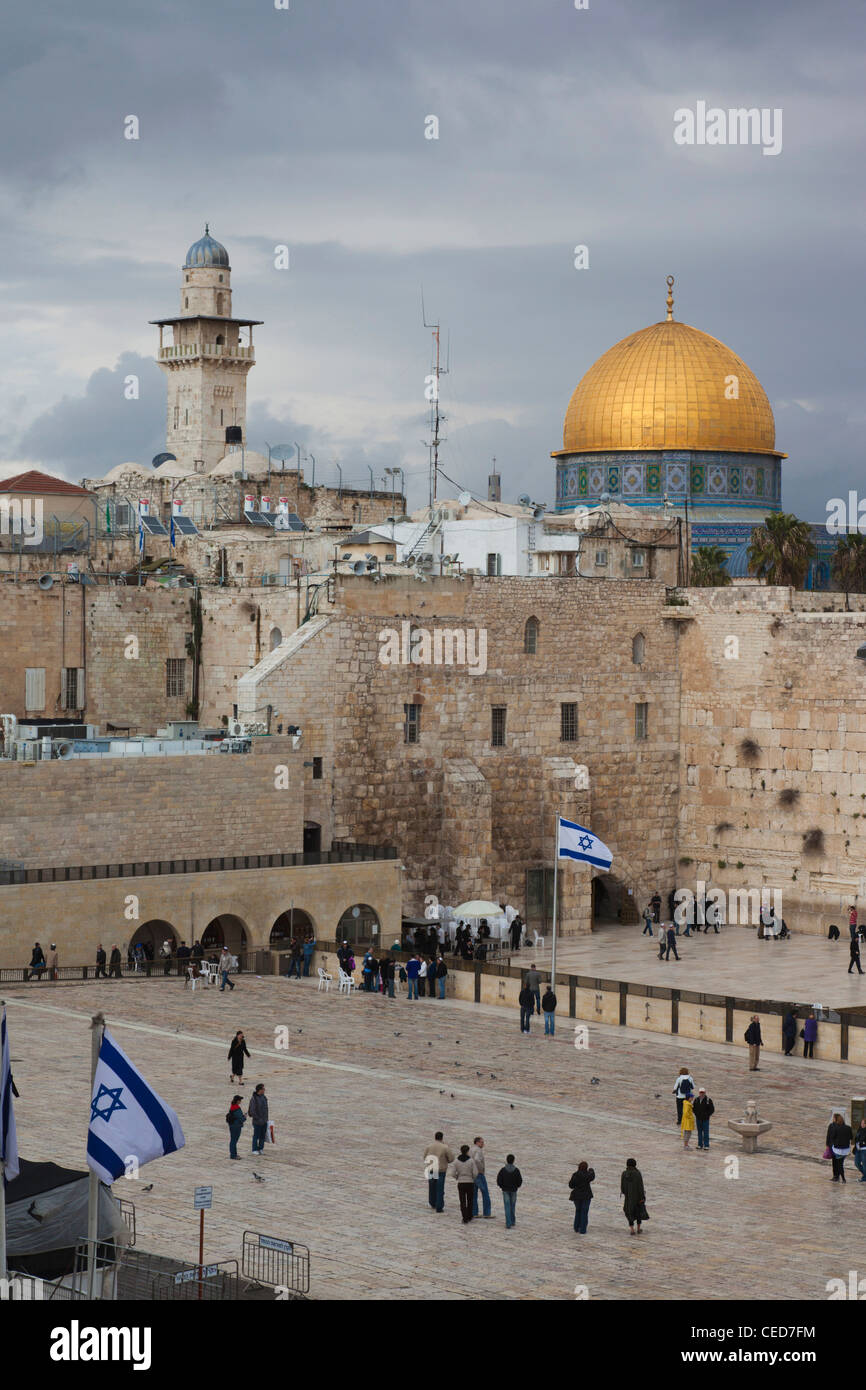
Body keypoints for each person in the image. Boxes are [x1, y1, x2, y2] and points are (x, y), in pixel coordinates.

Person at [423, 1131, 454, 1212]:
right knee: (440, 1188)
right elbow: (451, 1158)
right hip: (441, 1170)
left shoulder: (429, 1146)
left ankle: (432, 1202)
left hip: (431, 1169)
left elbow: (425, 1157)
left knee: (432, 1187)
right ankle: (439, 1207)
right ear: (442, 1138)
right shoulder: (445, 1147)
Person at [449, 1144, 479, 1224]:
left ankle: (464, 1217)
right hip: (469, 1182)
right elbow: (475, 1173)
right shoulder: (471, 1161)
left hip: (461, 1182)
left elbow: (452, 1173)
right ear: (467, 1151)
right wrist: (472, 1178)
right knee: (470, 1200)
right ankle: (469, 1216)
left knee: (462, 1201)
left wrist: (457, 1177)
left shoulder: (456, 1161)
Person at [496, 1154, 523, 1229]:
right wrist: (516, 1186)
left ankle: (508, 1223)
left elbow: (499, 1180)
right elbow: (520, 1181)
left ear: (507, 1160)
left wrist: (502, 1186)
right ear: (513, 1160)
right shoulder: (516, 1170)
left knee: (507, 1206)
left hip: (505, 1190)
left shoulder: (503, 1170)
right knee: (512, 1206)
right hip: (513, 1190)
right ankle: (513, 1221)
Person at [620, 1158, 646, 1235]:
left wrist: (625, 1193)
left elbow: (622, 1186)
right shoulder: (637, 1173)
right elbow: (640, 1186)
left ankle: (632, 1229)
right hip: (637, 1197)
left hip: (628, 1197)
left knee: (629, 1211)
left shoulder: (624, 1173)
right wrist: (642, 1197)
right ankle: (638, 1228)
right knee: (638, 1212)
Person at [568, 1160, 595, 1234]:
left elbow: (571, 1185)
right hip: (586, 1196)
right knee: (584, 1212)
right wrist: (591, 1170)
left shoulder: (575, 1175)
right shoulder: (588, 1175)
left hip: (577, 1196)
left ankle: (576, 1228)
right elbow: (592, 1176)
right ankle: (583, 1230)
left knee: (578, 1211)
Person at [827, 1112, 853, 1182]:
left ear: (836, 1120)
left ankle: (842, 1178)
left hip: (837, 1149)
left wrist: (830, 1145)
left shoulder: (835, 1128)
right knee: (840, 1163)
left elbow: (832, 1138)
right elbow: (851, 1137)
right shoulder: (848, 1128)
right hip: (845, 1149)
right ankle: (837, 1176)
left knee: (838, 1164)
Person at [471, 1136, 492, 1219]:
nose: (483, 1144)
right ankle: (487, 1212)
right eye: (481, 1142)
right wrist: (481, 1168)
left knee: (474, 1193)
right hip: (479, 1174)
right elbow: (477, 1160)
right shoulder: (478, 1150)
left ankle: (474, 1212)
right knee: (485, 1193)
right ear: (477, 1142)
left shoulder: (471, 1150)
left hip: (472, 1174)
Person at [248, 1083, 269, 1155]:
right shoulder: (254, 1099)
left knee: (262, 1136)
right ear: (260, 1090)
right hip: (257, 1121)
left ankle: (261, 1148)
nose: (264, 1090)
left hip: (264, 1120)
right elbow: (252, 1111)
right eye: (263, 1089)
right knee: (256, 1136)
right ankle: (254, 1149)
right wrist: (258, 1119)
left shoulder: (264, 1097)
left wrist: (266, 1119)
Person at [227, 1095, 246, 1159]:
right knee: (234, 1141)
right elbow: (241, 1119)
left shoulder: (232, 1106)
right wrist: (245, 1116)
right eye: (240, 1100)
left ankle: (233, 1154)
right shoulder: (236, 1108)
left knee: (233, 1140)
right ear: (237, 1101)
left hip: (232, 1125)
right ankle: (233, 1155)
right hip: (236, 1126)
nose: (241, 1101)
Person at [853, 1118, 866, 1182]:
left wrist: (862, 1142)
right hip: (858, 1149)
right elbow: (856, 1138)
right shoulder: (860, 1129)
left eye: (864, 1123)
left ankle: (864, 1178)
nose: (862, 1124)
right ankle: (865, 1175)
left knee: (864, 1164)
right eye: (861, 1123)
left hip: (864, 1150)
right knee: (856, 1163)